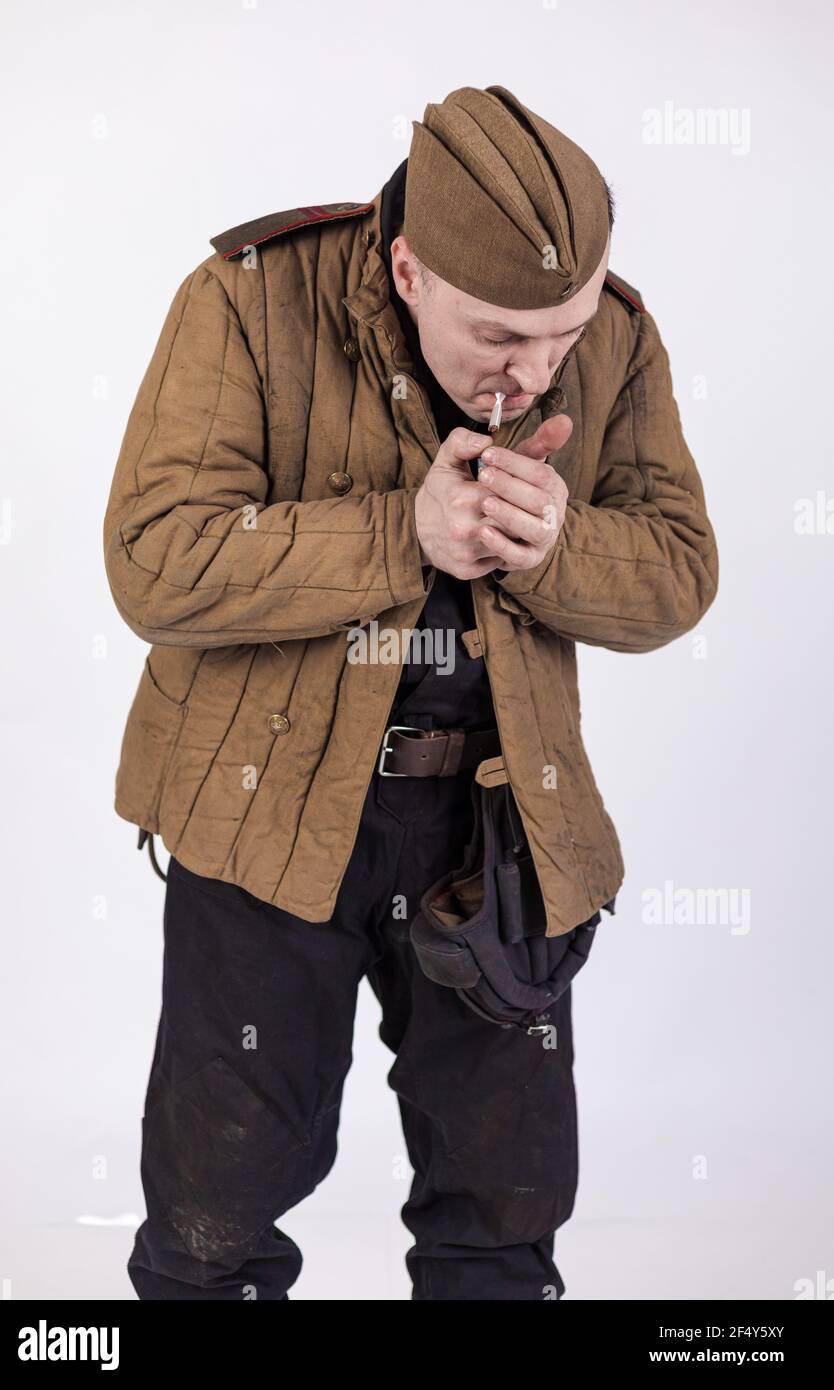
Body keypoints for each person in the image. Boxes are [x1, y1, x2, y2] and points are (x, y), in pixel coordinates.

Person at [103, 84, 718, 1300]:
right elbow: (154, 560)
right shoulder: (244, 298)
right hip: (265, 819)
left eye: (564, 330)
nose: (538, 369)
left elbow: (679, 573)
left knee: (502, 1223)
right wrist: (405, 533)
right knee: (212, 1221)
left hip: (497, 834)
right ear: (407, 269)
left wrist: (563, 551)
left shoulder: (614, 337)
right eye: (499, 336)